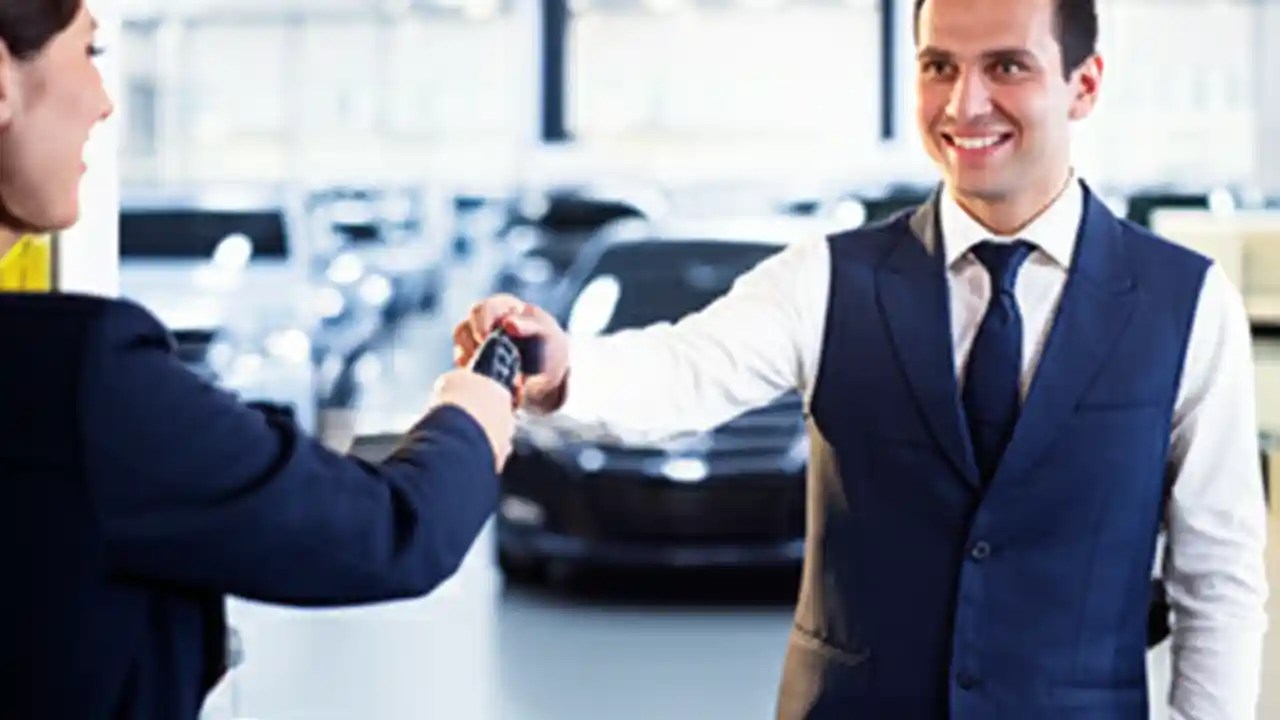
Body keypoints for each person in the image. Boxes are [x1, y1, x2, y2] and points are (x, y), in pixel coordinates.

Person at [458, 0, 1270, 717]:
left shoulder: (1186, 304)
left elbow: (1220, 577)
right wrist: (565, 368)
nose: (964, 103)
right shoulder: (827, 277)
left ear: (1084, 85)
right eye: (938, 66)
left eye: (1007, 67)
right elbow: (685, 369)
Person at [0, 2, 516, 718]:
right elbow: (397, 531)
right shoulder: (75, 375)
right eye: (90, 52)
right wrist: (479, 401)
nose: (104, 99)